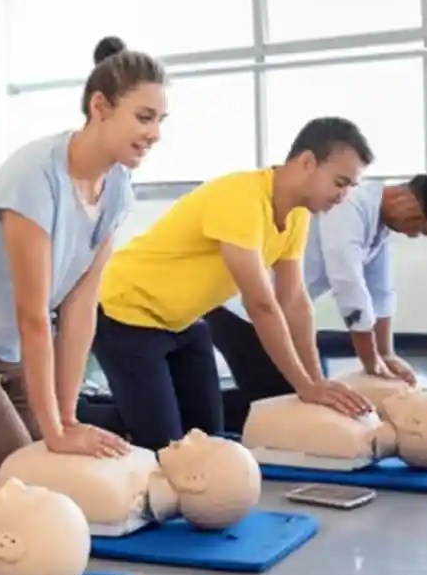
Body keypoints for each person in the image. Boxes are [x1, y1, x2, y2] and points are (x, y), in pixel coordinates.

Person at [0, 36, 157, 505]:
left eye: (161, 121)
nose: (155, 132)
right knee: (23, 482)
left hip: (10, 352)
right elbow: (34, 314)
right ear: (100, 107)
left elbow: (81, 308)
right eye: (144, 117)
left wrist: (67, 417)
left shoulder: (118, 189)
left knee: (32, 471)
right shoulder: (35, 177)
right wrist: (55, 433)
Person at [91, 117, 377, 452]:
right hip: (126, 313)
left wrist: (317, 381)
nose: (343, 196)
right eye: (340, 182)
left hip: (182, 323)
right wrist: (304, 386)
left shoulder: (297, 214)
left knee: (207, 439)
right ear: (307, 163)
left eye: (350, 187)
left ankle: (135, 407)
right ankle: (65, 415)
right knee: (166, 447)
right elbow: (262, 305)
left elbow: (294, 300)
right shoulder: (242, 197)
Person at [206, 171, 427, 419]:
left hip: (282, 312)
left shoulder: (378, 226)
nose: (414, 234)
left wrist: (386, 353)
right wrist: (371, 361)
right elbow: (348, 286)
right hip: (241, 308)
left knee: (309, 393)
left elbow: (380, 292)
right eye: (421, 225)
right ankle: (192, 413)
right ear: (407, 198)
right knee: (287, 403)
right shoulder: (348, 203)